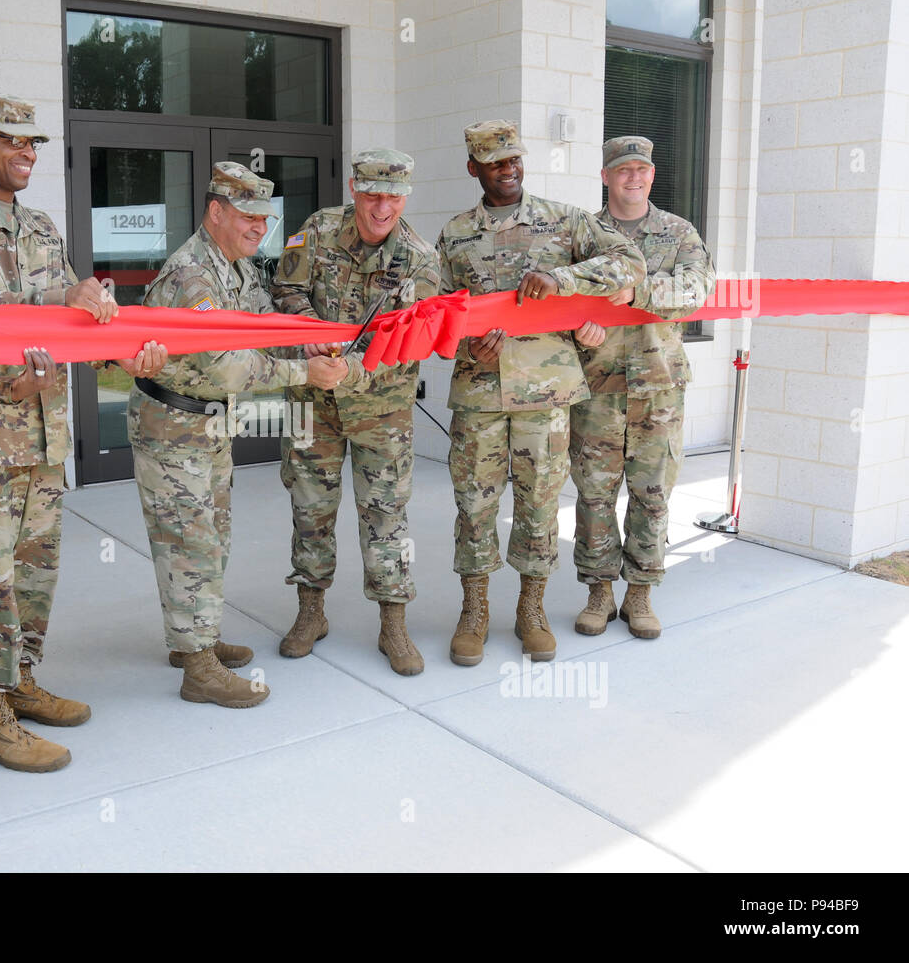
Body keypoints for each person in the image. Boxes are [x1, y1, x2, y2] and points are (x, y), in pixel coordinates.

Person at [0, 92, 166, 773]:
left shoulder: (43, 228)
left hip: (43, 438)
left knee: (33, 575)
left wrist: (123, 346)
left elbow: (78, 322)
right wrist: (52, 302)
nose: (28, 151)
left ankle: (17, 679)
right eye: (12, 139)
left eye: (34, 142)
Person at [131, 162, 349, 707]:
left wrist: (309, 347)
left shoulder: (240, 271)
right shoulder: (193, 277)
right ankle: (198, 667)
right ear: (216, 212)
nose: (260, 229)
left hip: (209, 425)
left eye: (265, 219)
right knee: (189, 543)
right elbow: (229, 365)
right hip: (173, 428)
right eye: (248, 217)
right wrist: (305, 373)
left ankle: (194, 641)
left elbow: (264, 330)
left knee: (213, 538)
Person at [437, 120, 645, 666]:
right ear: (474, 168)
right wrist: (463, 349)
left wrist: (564, 280)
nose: (509, 169)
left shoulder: (564, 221)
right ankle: (475, 611)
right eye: (495, 161)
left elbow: (629, 262)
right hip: (479, 392)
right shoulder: (455, 233)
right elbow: (436, 314)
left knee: (539, 506)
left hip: (547, 393)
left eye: (514, 159)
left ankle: (531, 610)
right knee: (474, 506)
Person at [270, 149, 439, 675]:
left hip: (381, 409)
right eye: (370, 194)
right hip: (311, 404)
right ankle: (311, 612)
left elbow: (414, 342)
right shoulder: (317, 231)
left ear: (406, 196)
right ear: (352, 188)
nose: (380, 206)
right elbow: (285, 291)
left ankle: (393, 622)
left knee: (387, 517)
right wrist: (312, 341)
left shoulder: (421, 259)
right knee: (309, 509)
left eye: (392, 196)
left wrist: (352, 371)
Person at [571, 136, 715, 638]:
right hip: (597, 385)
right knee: (593, 494)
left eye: (642, 169)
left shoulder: (678, 232)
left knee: (651, 493)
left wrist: (639, 290)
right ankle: (598, 592)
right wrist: (577, 330)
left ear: (652, 175)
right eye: (623, 170)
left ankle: (640, 593)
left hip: (659, 385)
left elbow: (695, 291)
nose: (634, 177)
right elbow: (564, 299)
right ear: (606, 176)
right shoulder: (584, 234)